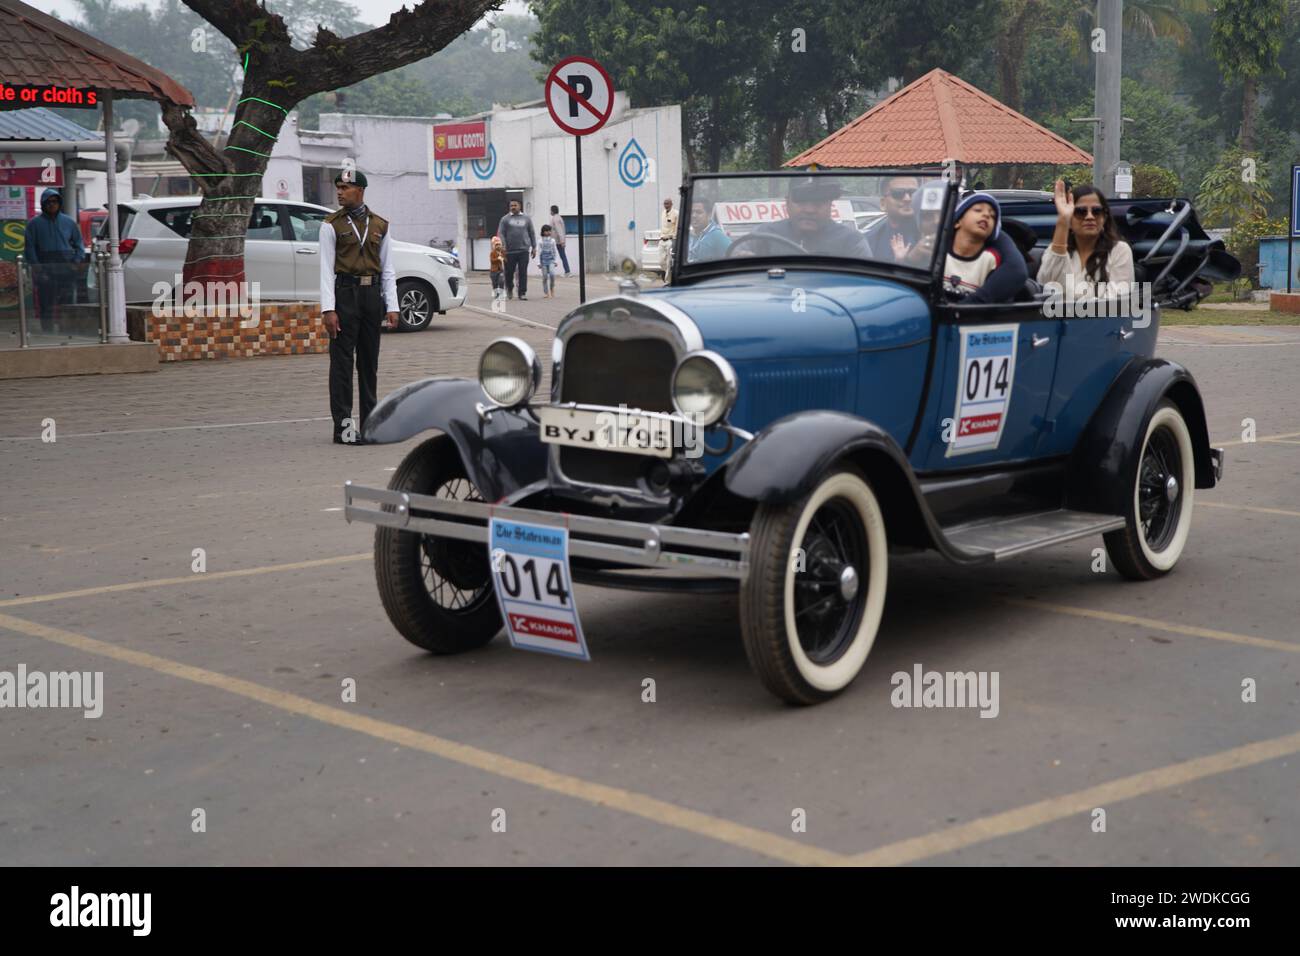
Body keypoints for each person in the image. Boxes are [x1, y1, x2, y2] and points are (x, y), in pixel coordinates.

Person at [320, 168, 398, 446]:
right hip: (344, 295)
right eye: (338, 187)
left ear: (360, 190)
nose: (340, 191)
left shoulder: (380, 225)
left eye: (345, 187)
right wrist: (328, 309)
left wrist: (393, 305)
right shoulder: (331, 225)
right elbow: (326, 271)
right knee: (342, 364)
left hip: (371, 296)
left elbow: (388, 268)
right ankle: (343, 428)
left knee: (369, 363)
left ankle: (370, 424)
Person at [1038, 179, 1134, 300]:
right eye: (1080, 212)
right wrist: (1063, 221)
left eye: (1096, 211)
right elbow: (1047, 288)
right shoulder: (1056, 250)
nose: (1089, 217)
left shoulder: (1119, 250)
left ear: (1104, 217)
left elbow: (1115, 302)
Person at [746, 177, 874, 258]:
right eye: (801, 202)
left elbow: (864, 287)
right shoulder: (764, 235)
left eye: (818, 203)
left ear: (830, 205)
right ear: (787, 202)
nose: (809, 210)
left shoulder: (851, 241)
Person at [942, 191, 1026, 303]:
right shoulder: (937, 252)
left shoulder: (991, 261)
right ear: (957, 222)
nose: (986, 215)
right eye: (978, 210)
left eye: (992, 216)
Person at [24, 187, 86, 334]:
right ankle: (48, 330)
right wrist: (37, 266)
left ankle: (67, 329)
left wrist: (76, 262)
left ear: (60, 203)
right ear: (43, 204)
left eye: (55, 201)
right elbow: (30, 248)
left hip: (65, 263)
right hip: (45, 264)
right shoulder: (34, 224)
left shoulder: (69, 222)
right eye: (48, 202)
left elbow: (79, 244)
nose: (52, 204)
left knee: (68, 300)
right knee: (46, 300)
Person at [864, 175, 920, 262]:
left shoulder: (933, 235)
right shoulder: (869, 241)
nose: (907, 198)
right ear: (883, 204)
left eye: (913, 193)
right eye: (898, 194)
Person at [495, 199, 535, 300]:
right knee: (509, 272)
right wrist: (503, 245)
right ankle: (509, 288)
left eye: (515, 205)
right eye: (511, 206)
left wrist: (534, 247)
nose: (513, 207)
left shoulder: (526, 219)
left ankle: (522, 293)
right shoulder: (505, 219)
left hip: (524, 250)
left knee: (523, 272)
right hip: (509, 251)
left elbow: (532, 233)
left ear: (519, 206)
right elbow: (501, 233)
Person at [549, 205, 571, 276]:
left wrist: (562, 241)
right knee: (562, 256)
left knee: (552, 256)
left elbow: (559, 230)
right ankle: (567, 271)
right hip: (558, 241)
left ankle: (567, 272)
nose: (550, 212)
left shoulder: (555, 219)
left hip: (557, 241)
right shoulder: (558, 218)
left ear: (552, 211)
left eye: (550, 210)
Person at [539, 224, 558, 298]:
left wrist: (556, 261)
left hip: (551, 260)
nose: (549, 232)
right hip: (543, 261)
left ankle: (552, 288)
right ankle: (546, 292)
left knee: (552, 274)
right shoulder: (540, 241)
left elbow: (555, 251)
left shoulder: (553, 240)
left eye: (550, 231)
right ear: (543, 232)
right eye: (547, 231)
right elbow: (539, 251)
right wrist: (538, 262)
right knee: (544, 277)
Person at [660, 198, 679, 270]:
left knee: (669, 262)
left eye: (667, 203)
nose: (666, 205)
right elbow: (663, 226)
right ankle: (667, 275)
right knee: (661, 262)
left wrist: (673, 238)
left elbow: (677, 228)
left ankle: (668, 280)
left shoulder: (676, 213)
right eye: (665, 204)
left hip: (670, 240)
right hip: (662, 240)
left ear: (671, 204)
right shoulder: (663, 213)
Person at [488, 235, 506, 300]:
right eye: (496, 245)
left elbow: (505, 259)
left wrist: (503, 258)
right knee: (495, 283)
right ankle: (496, 294)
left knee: (501, 281)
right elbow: (492, 260)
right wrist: (498, 258)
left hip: (500, 270)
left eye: (499, 245)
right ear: (494, 246)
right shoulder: (492, 253)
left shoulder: (502, 252)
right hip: (493, 271)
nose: (498, 246)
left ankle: (501, 294)